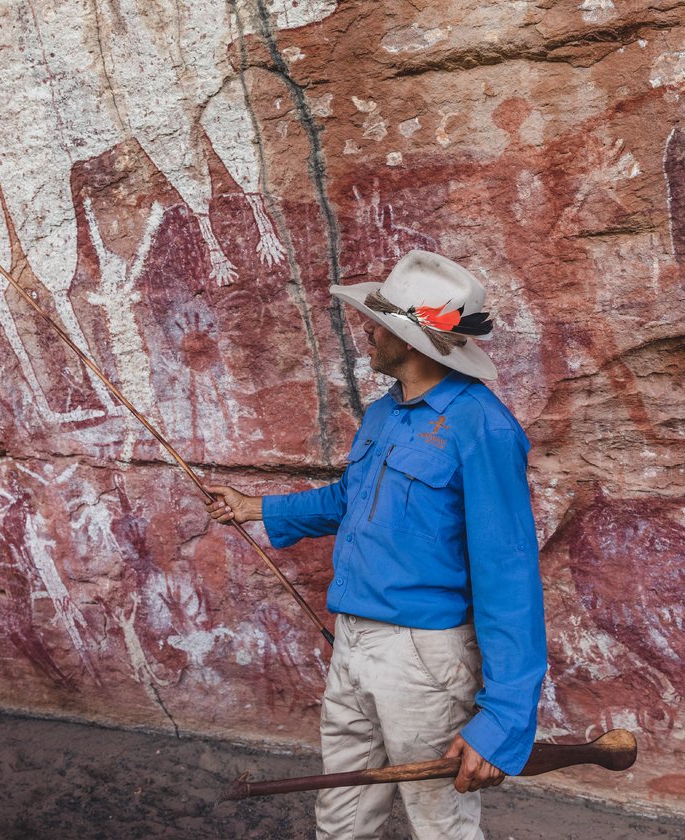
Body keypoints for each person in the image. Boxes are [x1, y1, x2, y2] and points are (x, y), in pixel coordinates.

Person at [205, 250, 547, 840]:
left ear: (412, 341)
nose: (366, 331)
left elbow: (509, 576)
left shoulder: (482, 427)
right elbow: (349, 499)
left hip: (425, 659)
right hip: (354, 644)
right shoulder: (387, 413)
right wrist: (254, 508)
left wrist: (503, 720)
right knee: (341, 814)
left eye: (378, 323)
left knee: (440, 822)